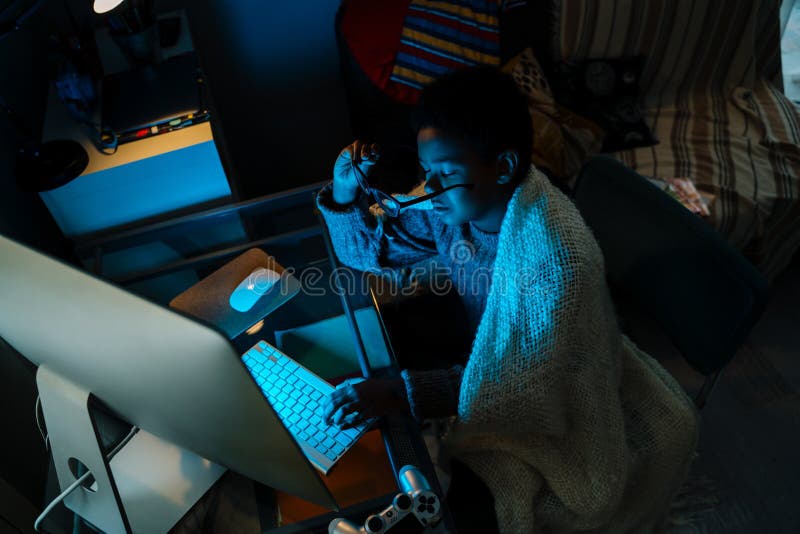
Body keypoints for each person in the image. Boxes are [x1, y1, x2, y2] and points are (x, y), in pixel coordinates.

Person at [316, 66, 699, 533]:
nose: (429, 189)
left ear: (504, 166)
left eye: (445, 174)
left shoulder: (554, 264)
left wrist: (399, 392)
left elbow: (519, 389)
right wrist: (345, 190)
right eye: (426, 171)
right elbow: (366, 254)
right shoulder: (453, 206)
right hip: (490, 357)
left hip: (558, 387)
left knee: (511, 501)